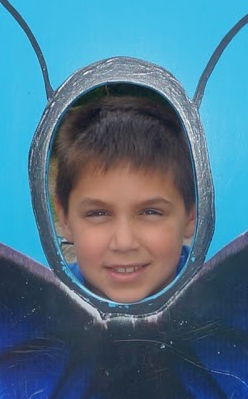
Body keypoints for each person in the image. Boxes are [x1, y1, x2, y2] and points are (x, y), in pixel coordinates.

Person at [52, 93, 196, 303]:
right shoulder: (44, 303)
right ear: (64, 219)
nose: (124, 243)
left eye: (151, 212)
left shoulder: (223, 300)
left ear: (190, 215)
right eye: (98, 213)